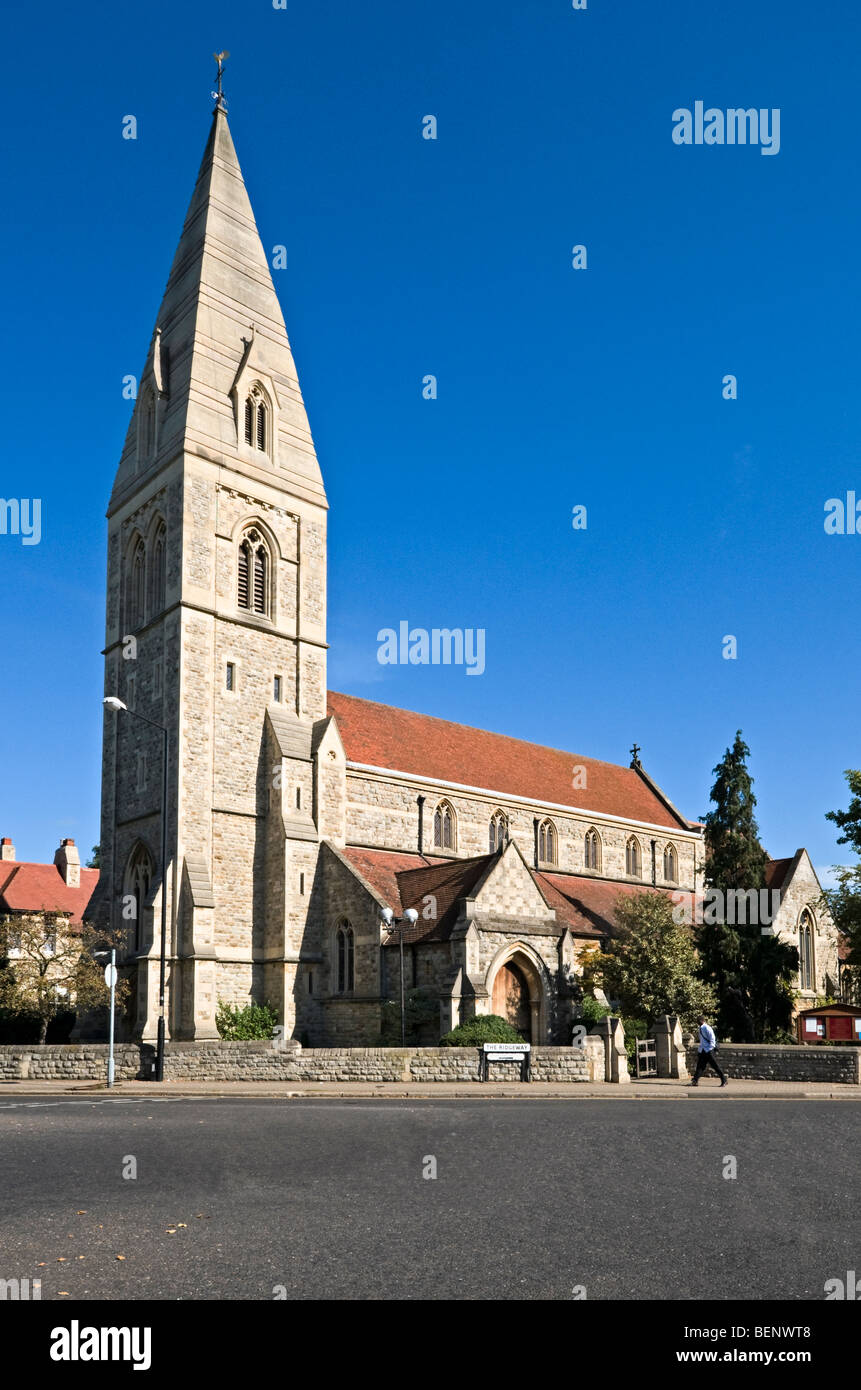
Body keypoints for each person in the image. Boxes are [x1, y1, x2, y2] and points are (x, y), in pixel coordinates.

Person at [691, 1015, 728, 1086]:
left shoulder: (707, 1028)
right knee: (700, 1066)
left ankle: (724, 1080)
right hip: (703, 1050)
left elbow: (712, 1039)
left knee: (715, 1066)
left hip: (708, 1051)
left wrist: (709, 1049)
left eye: (698, 1021)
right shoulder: (701, 1028)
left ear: (701, 1021)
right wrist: (700, 1050)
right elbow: (702, 1041)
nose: (697, 1022)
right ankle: (695, 1081)